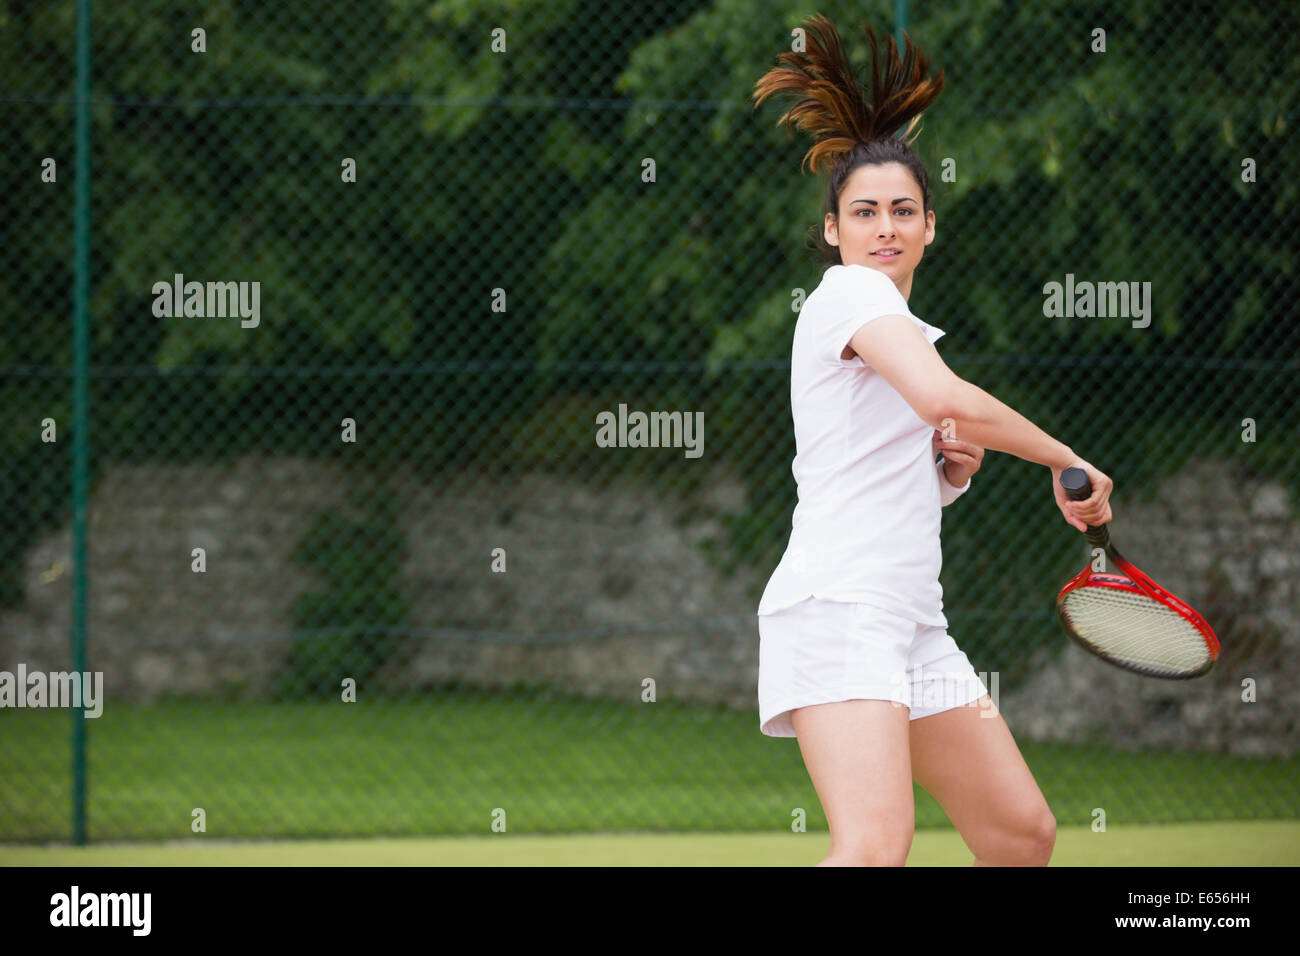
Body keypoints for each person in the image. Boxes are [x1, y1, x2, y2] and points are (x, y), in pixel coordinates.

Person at [751, 14, 1114, 866]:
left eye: (903, 211)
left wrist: (946, 474)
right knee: (874, 847)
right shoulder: (848, 294)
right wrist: (1064, 458)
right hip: (840, 608)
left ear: (929, 226)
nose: (885, 226)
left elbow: (898, 445)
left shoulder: (901, 329)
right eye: (864, 212)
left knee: (1020, 833)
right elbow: (945, 397)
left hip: (912, 621)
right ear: (834, 232)